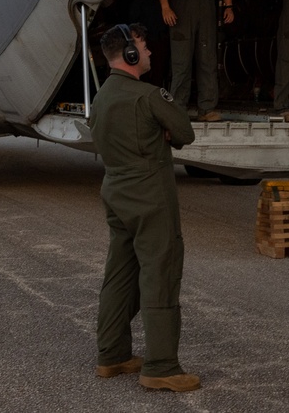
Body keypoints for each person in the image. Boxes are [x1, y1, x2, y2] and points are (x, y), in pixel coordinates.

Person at [90, 23, 200, 393]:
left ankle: (112, 355)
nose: (150, 51)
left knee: (119, 275)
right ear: (131, 55)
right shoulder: (150, 96)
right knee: (160, 274)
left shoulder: (101, 97)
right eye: (144, 45)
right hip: (151, 197)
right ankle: (161, 366)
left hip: (116, 192)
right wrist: (164, 131)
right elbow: (185, 132)